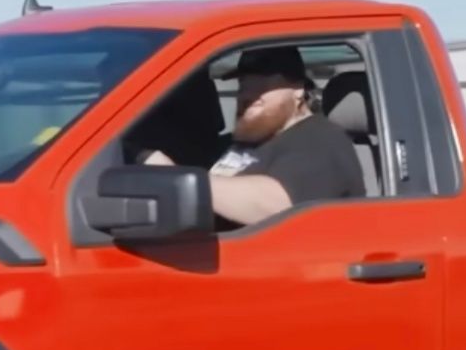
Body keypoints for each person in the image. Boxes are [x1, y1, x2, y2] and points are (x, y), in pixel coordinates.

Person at [141, 46, 365, 225]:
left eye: (264, 85)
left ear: (298, 89)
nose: (247, 94)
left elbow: (274, 205)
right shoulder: (245, 141)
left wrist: (179, 179)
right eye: (243, 84)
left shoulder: (322, 140)